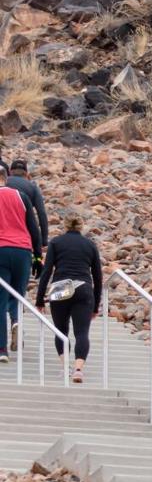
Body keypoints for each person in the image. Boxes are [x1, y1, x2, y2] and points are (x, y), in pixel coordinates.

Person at [34, 213, 103, 384]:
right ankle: (78, 369)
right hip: (83, 289)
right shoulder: (90, 245)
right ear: (81, 225)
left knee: (61, 330)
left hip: (60, 289)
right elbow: (98, 276)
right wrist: (96, 304)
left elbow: (47, 271)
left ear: (65, 225)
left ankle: (65, 367)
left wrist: (39, 298)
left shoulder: (56, 243)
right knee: (81, 332)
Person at [0, 177, 42, 364]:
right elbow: (34, 228)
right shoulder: (22, 196)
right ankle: (16, 321)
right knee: (17, 295)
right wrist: (38, 257)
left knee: (0, 301)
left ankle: (2, 350)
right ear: (6, 178)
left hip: (1, 249)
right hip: (23, 250)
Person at [5, 159, 47, 245]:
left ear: (10, 171)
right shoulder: (33, 187)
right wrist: (44, 240)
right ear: (26, 173)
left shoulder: (3, 183)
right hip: (23, 236)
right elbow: (41, 213)